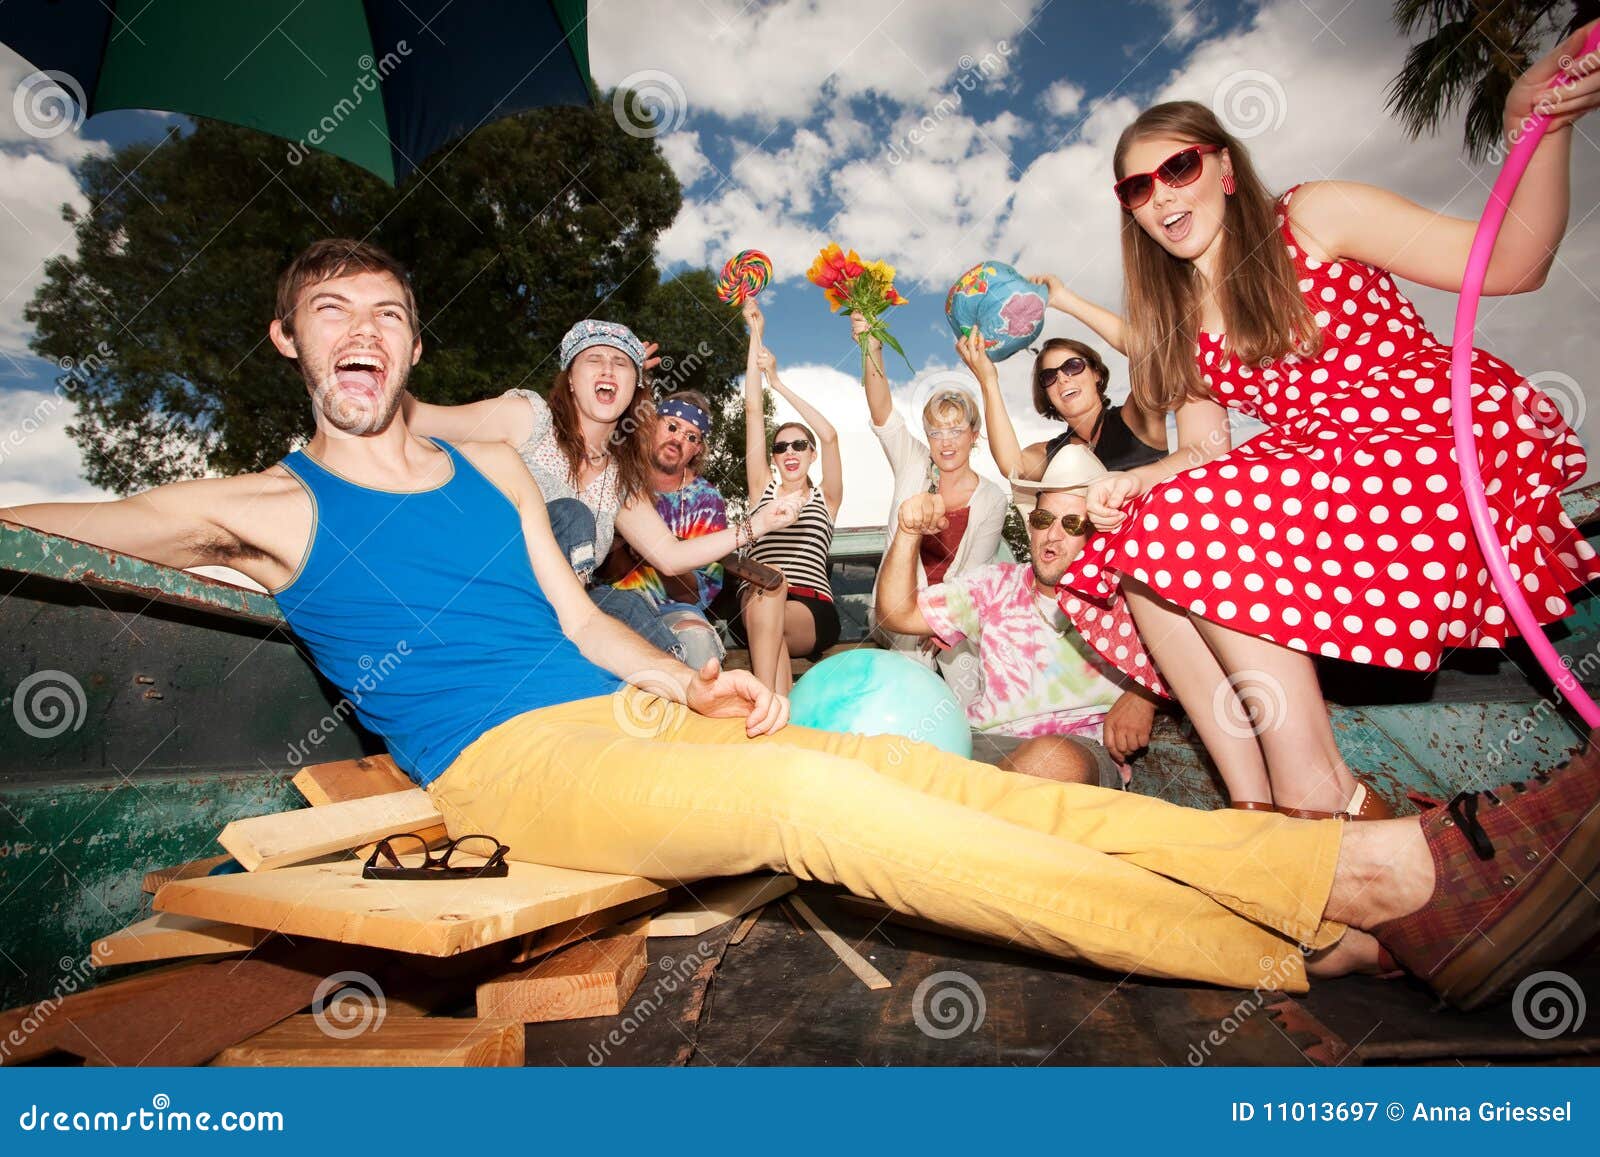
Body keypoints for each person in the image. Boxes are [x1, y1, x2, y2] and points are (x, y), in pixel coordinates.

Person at [7, 236, 1599, 1014]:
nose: (363, 335)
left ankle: (1308, 911)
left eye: (389, 313)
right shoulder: (267, 502)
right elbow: (59, 525)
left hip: (619, 718)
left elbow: (588, 617)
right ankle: (1363, 885)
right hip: (498, 764)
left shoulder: (489, 478)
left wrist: (690, 687)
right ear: (291, 340)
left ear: (413, 341)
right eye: (332, 316)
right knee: (818, 802)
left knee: (935, 781)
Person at [1059, 24, 1600, 820]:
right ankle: (1253, 809)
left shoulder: (1312, 216)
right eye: (1137, 188)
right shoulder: (1181, 325)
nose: (1162, 195)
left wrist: (1541, 125)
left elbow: (1516, 263)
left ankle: (1322, 794)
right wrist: (1132, 479)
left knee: (1194, 519)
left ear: (1224, 169)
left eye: (1177, 167)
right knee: (1137, 544)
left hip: (1428, 431)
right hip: (1325, 467)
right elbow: (1206, 452)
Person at [401, 320, 798, 659]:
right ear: (570, 379)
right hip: (496, 591)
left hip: (572, 614)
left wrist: (755, 525)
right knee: (571, 516)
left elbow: (673, 556)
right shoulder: (527, 420)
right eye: (594, 359)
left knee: (625, 605)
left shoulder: (620, 479)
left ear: (634, 391)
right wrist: (376, 367)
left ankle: (672, 700)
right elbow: (419, 418)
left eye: (621, 363)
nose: (608, 367)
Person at [875, 444, 1163, 785]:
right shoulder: (993, 585)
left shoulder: (1127, 596)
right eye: (1044, 519)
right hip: (979, 746)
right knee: (889, 757)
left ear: (1096, 534)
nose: (1052, 535)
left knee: (1051, 762)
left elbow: (1197, 651)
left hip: (1074, 750)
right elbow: (897, 615)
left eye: (1072, 524)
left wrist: (1144, 696)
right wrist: (908, 532)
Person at [852, 312, 1007, 707]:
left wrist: (942, 623)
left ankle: (971, 746)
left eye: (956, 429)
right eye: (936, 431)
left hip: (955, 613)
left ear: (974, 435)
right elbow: (882, 412)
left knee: (965, 672)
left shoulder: (992, 499)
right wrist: (871, 345)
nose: (946, 441)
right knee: (909, 671)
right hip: (895, 611)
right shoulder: (913, 464)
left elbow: (973, 576)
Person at [730, 298, 843, 692]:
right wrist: (754, 333)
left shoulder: (825, 498)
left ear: (812, 455)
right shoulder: (762, 489)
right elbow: (752, 411)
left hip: (810, 610)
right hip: (757, 600)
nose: (789, 452)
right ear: (774, 458)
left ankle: (768, 713)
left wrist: (777, 382)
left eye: (799, 445)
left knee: (771, 616)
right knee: (764, 605)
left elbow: (829, 434)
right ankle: (781, 715)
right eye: (781, 447)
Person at [591, 389, 731, 669]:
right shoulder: (617, 476)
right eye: (672, 426)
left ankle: (702, 709)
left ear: (697, 450)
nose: (678, 439)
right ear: (652, 426)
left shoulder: (707, 501)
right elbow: (598, 569)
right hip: (610, 601)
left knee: (698, 640)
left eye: (691, 437)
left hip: (674, 609)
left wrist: (650, 553)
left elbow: (695, 594)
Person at [958, 328, 1167, 478]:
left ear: (1096, 373)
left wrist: (1064, 299)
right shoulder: (1052, 453)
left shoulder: (1135, 419)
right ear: (1047, 394)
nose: (1062, 379)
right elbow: (1014, 468)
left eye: (1073, 366)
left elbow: (1149, 355)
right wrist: (988, 381)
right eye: (1049, 376)